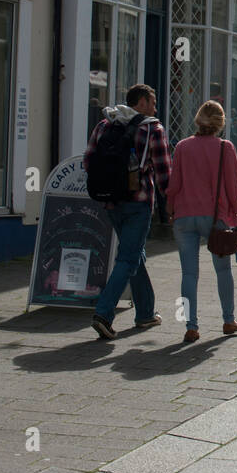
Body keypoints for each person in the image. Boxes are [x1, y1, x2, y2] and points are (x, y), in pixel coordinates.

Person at [84, 83, 172, 340]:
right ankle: (103, 313)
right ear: (142, 102)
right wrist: (173, 206)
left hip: (110, 202)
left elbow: (88, 161)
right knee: (128, 258)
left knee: (134, 253)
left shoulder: (104, 125)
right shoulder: (153, 128)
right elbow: (165, 172)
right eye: (153, 102)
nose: (155, 108)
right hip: (138, 202)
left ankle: (145, 313)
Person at [167, 100, 237, 344]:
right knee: (223, 270)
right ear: (221, 123)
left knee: (189, 273)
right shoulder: (225, 148)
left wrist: (170, 210)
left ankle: (191, 325)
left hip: (184, 216)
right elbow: (233, 187)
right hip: (216, 218)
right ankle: (228, 320)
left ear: (198, 120)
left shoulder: (182, 147)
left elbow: (174, 184)